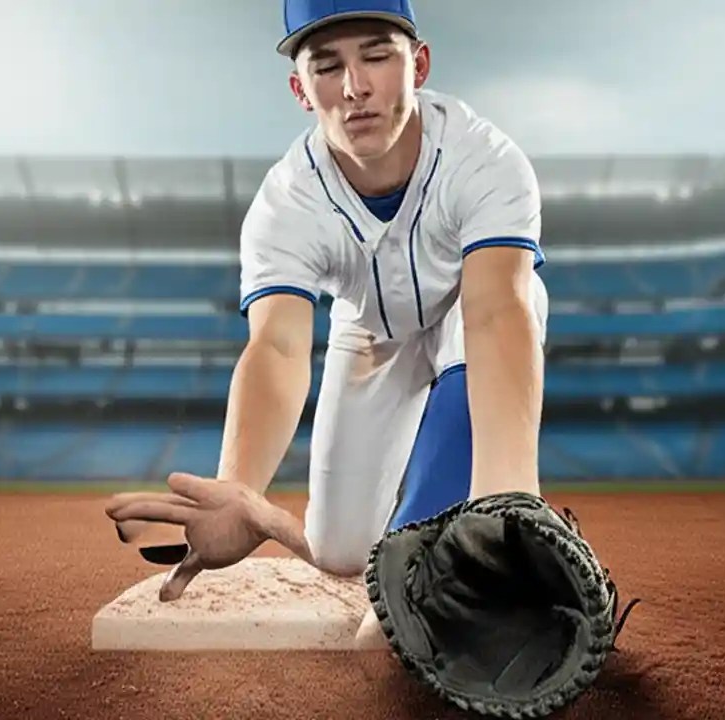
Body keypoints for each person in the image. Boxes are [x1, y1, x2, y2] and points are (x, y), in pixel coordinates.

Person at [106, 0, 550, 644]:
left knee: (509, 313)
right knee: (341, 550)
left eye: (376, 56)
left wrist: (506, 500)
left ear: (418, 64)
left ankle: (490, 521)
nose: (354, 86)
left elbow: (494, 311)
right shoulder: (288, 201)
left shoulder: (484, 159)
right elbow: (279, 346)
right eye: (327, 65)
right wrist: (236, 486)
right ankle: (385, 534)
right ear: (299, 87)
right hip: (371, 338)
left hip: (473, 313)